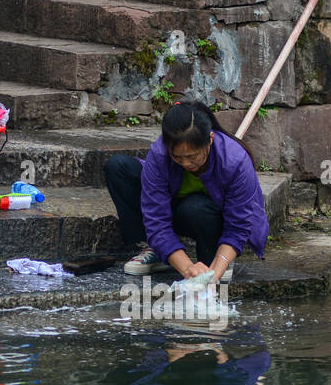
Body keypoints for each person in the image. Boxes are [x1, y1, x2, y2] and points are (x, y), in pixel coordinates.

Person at [105, 100, 268, 283]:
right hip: (176, 211)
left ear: (210, 140)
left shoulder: (235, 160)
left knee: (196, 208)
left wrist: (216, 270)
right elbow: (156, 219)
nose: (186, 164)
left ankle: (215, 254)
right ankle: (158, 250)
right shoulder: (160, 155)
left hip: (210, 220)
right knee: (118, 167)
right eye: (177, 157)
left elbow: (238, 226)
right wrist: (188, 270)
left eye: (192, 156)